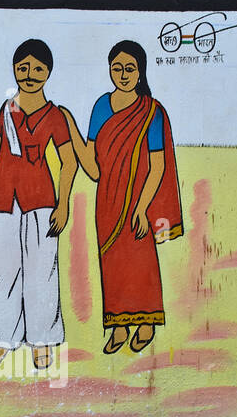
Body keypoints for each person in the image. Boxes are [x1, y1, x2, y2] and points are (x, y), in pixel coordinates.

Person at [62, 40, 183, 354]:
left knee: (141, 263)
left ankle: (145, 323)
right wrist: (71, 129)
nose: (123, 74)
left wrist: (142, 208)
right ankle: (117, 325)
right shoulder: (102, 106)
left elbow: (158, 165)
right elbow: (93, 166)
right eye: (117, 68)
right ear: (109, 70)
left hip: (137, 202)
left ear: (140, 71)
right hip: (107, 202)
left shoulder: (151, 112)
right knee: (111, 262)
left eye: (130, 68)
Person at [0, 39, 77, 371]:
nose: (30, 74)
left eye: (37, 68)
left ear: (48, 73)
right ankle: (3, 340)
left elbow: (68, 162)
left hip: (42, 201)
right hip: (3, 200)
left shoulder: (54, 115)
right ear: (15, 70)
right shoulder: (7, 110)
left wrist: (64, 204)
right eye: (23, 67)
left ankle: (42, 341)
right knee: (5, 273)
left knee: (43, 272)